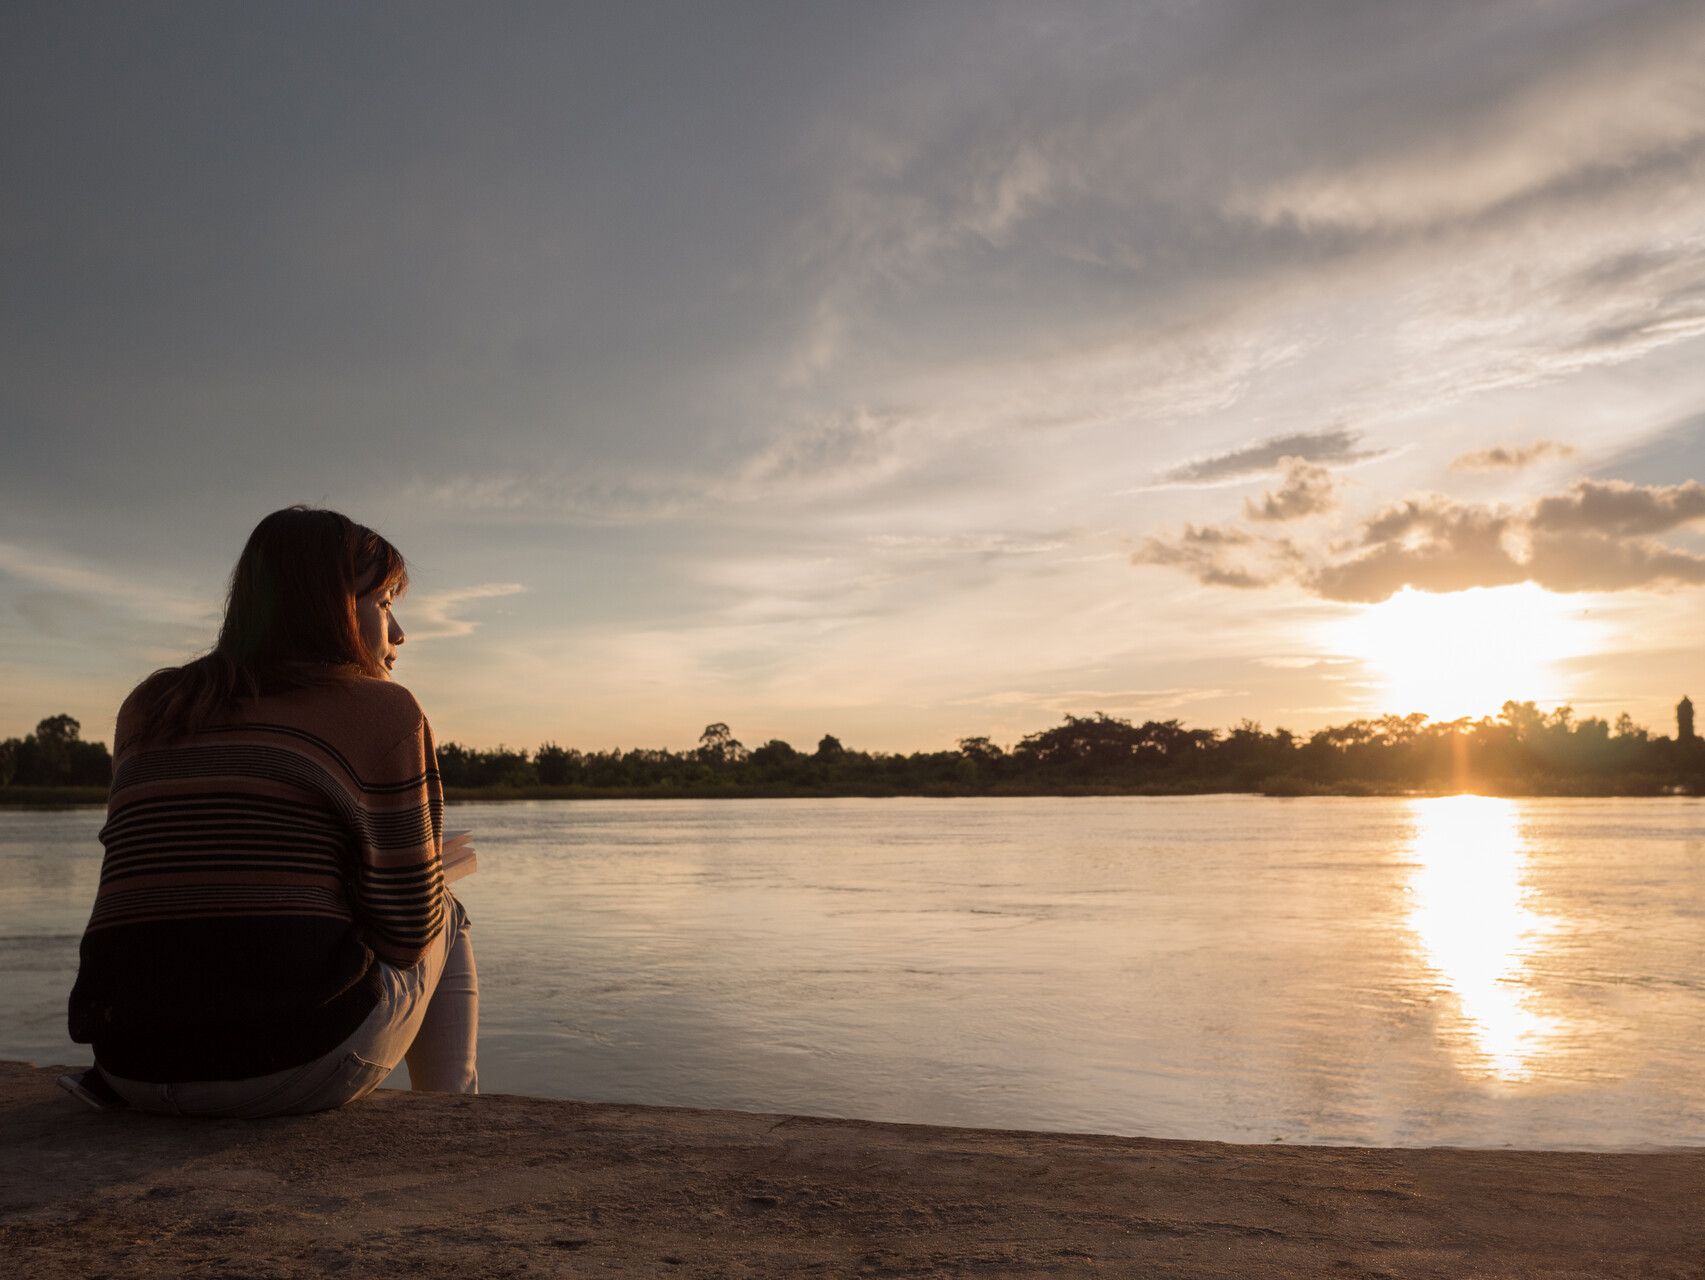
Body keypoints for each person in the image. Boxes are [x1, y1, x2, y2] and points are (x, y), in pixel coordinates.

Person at [64, 506, 477, 1116]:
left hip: (127, 1067)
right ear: (332, 605)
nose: (399, 634)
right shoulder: (384, 711)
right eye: (385, 603)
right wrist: (431, 873)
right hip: (281, 1068)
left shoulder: (152, 705)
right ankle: (460, 1124)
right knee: (448, 911)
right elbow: (407, 937)